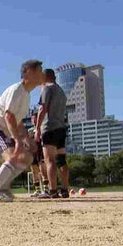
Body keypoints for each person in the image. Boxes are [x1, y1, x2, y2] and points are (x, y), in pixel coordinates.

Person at [0, 60, 45, 202]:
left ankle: (3, 188)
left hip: (4, 131)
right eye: (40, 70)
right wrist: (17, 140)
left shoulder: (26, 95)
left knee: (26, 158)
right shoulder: (17, 90)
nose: (42, 74)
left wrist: (27, 140)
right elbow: (8, 116)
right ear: (29, 72)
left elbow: (18, 121)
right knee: (12, 157)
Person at [35, 69, 70, 199]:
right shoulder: (61, 92)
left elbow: (42, 109)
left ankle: (53, 190)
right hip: (61, 127)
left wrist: (37, 128)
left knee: (49, 160)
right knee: (61, 160)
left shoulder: (47, 89)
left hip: (49, 127)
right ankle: (65, 189)